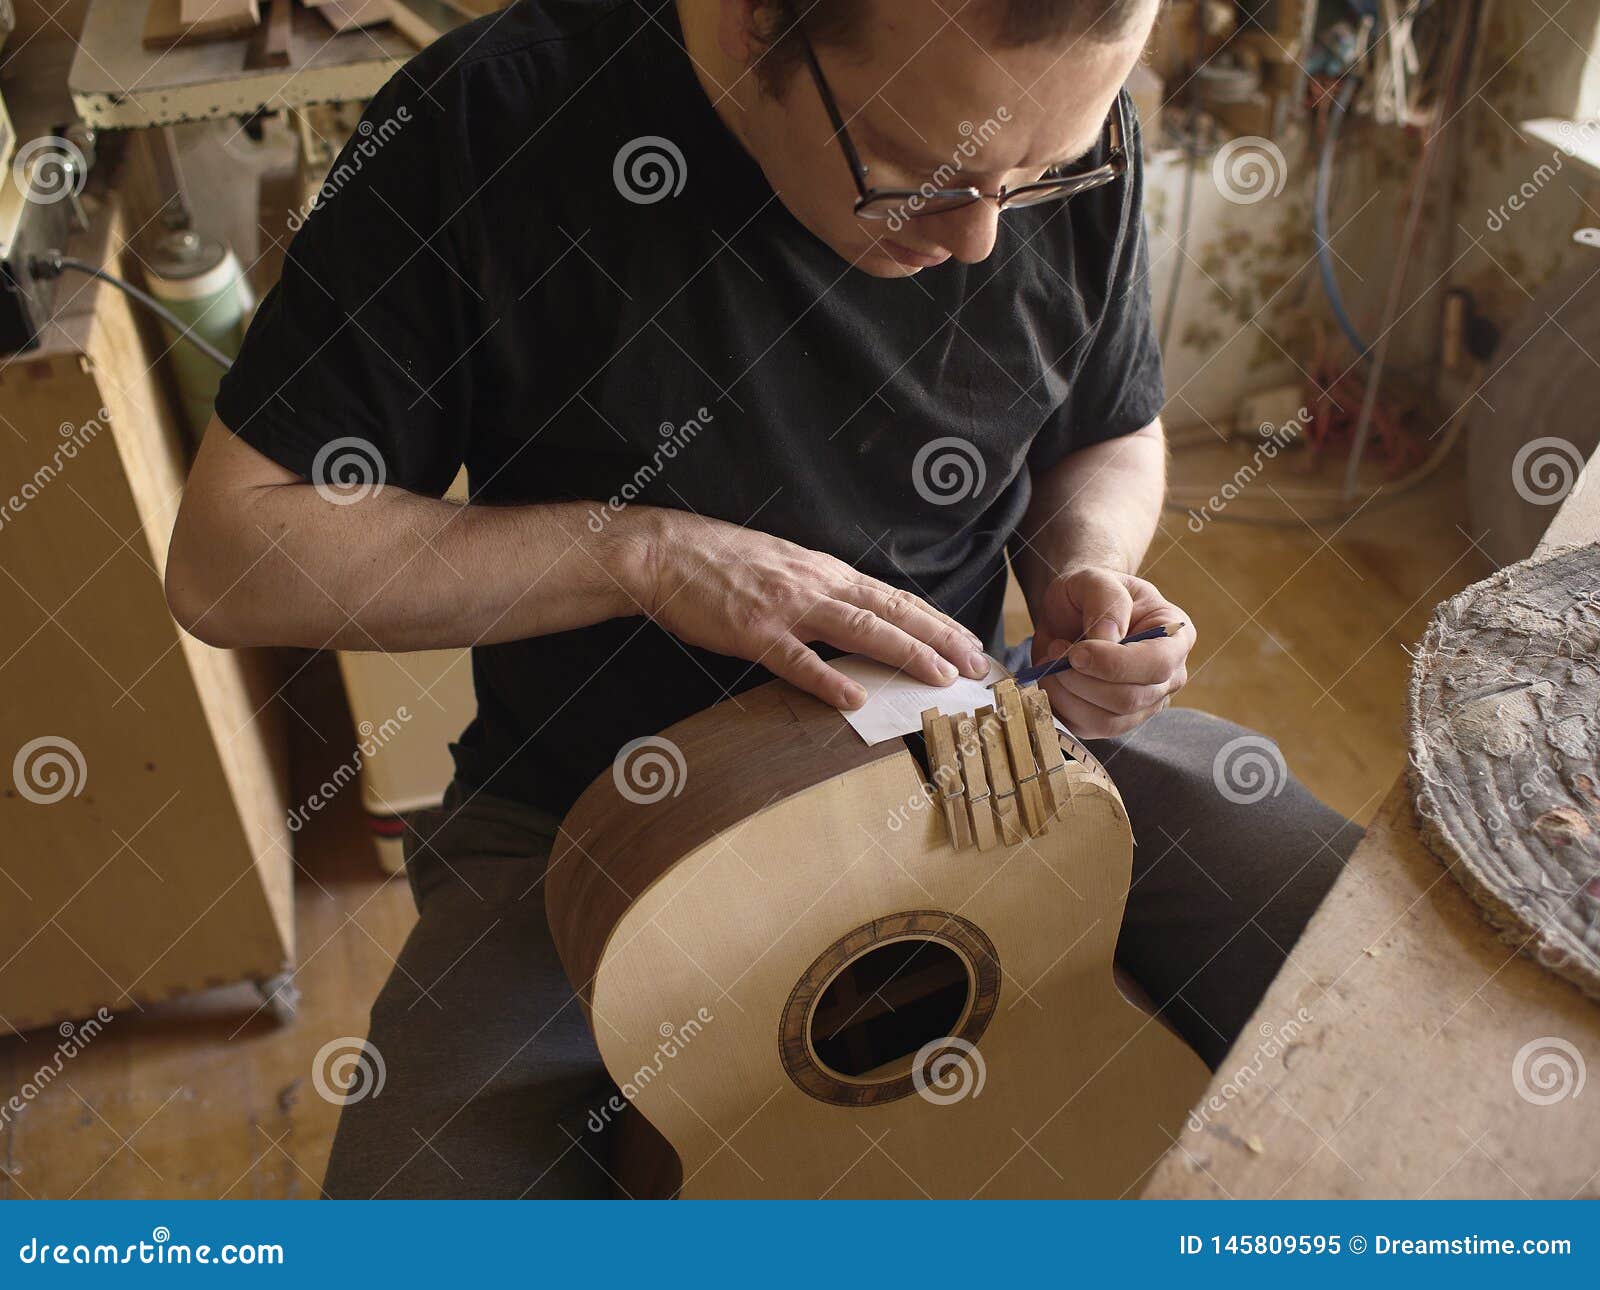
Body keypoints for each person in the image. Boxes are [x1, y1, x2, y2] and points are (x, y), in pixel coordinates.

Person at [165, 0, 1357, 1198]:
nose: (978, 239)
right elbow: (232, 556)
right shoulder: (488, 122)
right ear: (752, 25)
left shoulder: (1038, 128)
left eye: (1036, 179)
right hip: (599, 810)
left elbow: (1108, 429)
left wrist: (1082, 573)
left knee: (1373, 956)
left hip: (975, 743)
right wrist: (642, 554)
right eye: (913, 177)